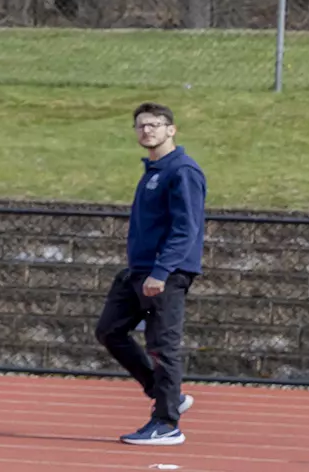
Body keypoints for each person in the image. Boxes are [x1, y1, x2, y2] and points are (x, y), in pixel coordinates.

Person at [96, 102, 207, 447]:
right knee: (109, 331)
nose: (147, 131)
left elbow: (185, 228)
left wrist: (161, 272)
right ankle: (163, 394)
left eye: (155, 125)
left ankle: (167, 421)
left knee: (162, 345)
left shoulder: (182, 171)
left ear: (171, 130)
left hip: (165, 274)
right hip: (138, 272)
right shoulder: (153, 171)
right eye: (141, 126)